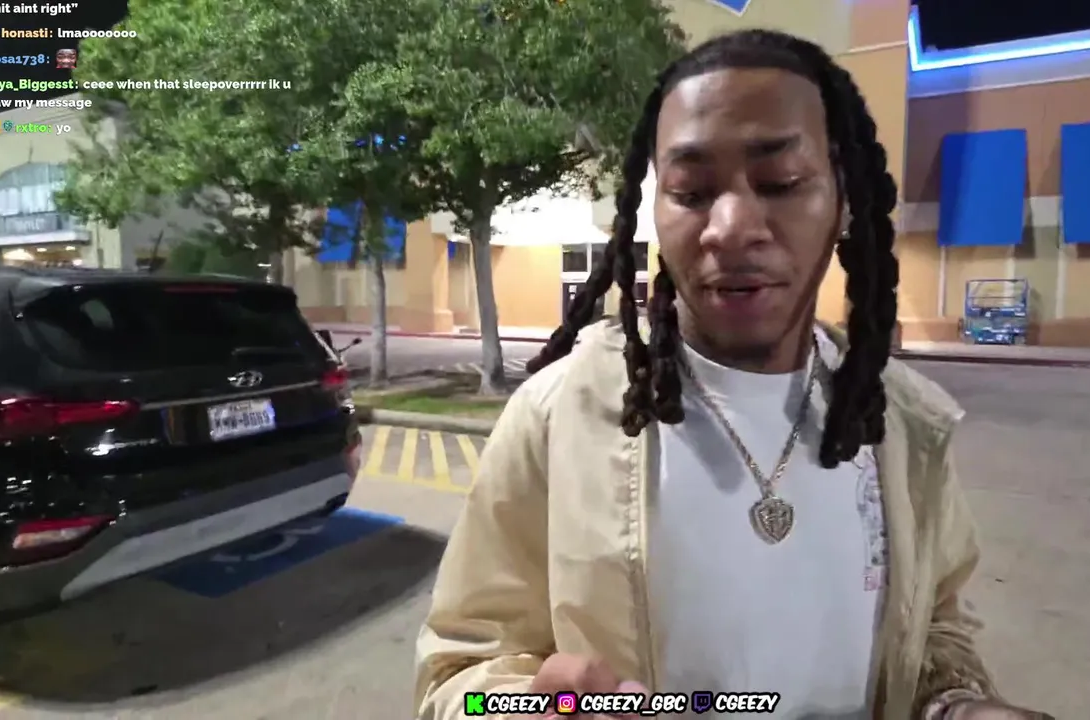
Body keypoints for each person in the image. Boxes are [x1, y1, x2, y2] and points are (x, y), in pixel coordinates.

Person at [414, 29, 1052, 720]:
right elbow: (459, 676)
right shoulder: (557, 417)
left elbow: (934, 634)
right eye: (690, 192)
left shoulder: (901, 424)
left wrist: (960, 706)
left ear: (842, 199)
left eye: (780, 183)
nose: (732, 226)